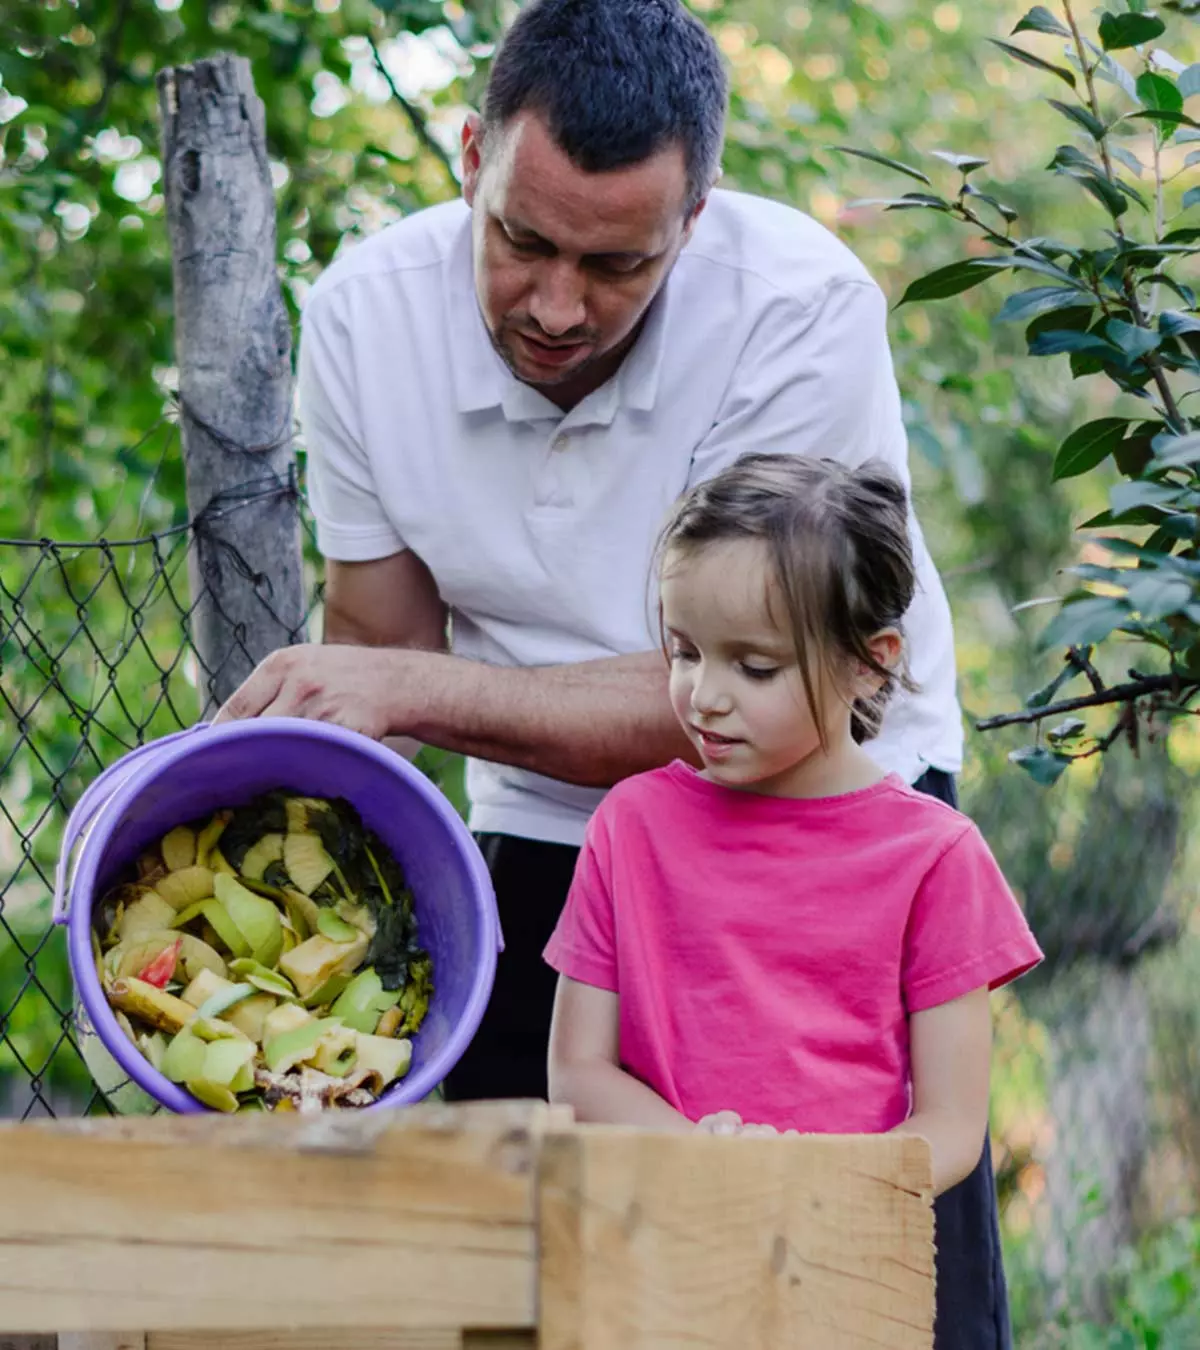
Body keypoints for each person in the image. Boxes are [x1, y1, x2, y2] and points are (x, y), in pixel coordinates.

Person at [212, 1, 1004, 1343]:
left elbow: (740, 693)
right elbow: (383, 650)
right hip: (542, 829)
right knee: (544, 1278)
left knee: (881, 1281)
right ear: (471, 156)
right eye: (522, 241)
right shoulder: (361, 316)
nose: (558, 305)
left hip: (819, 811)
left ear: (694, 222)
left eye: (618, 262)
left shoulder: (798, 309)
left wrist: (412, 692)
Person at [543, 450, 1043, 1229]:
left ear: (869, 666)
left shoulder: (935, 858)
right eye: (685, 652)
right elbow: (577, 1073)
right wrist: (712, 1169)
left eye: (755, 666)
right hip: (648, 1244)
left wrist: (811, 1193)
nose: (705, 697)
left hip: (842, 1260)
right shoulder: (629, 825)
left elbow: (950, 1129)